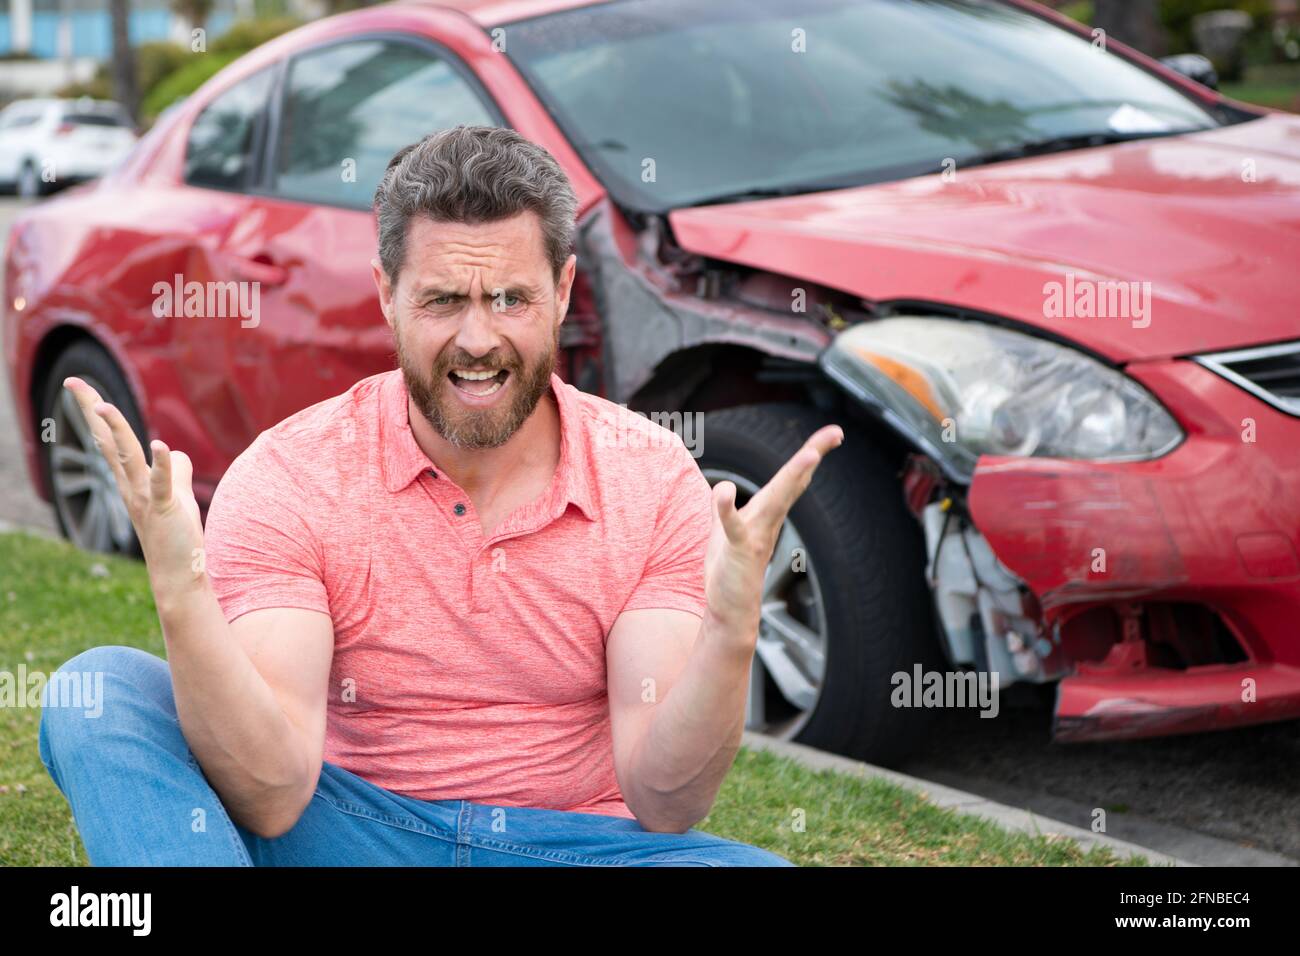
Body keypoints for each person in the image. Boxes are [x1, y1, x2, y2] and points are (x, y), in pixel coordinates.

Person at [39, 125, 842, 866]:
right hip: (348, 833)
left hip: (571, 847)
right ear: (387, 292)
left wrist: (732, 627)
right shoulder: (289, 474)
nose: (478, 339)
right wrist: (183, 589)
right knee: (99, 687)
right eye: (443, 299)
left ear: (562, 292)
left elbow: (666, 801)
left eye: (511, 299)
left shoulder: (651, 474)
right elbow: (274, 796)